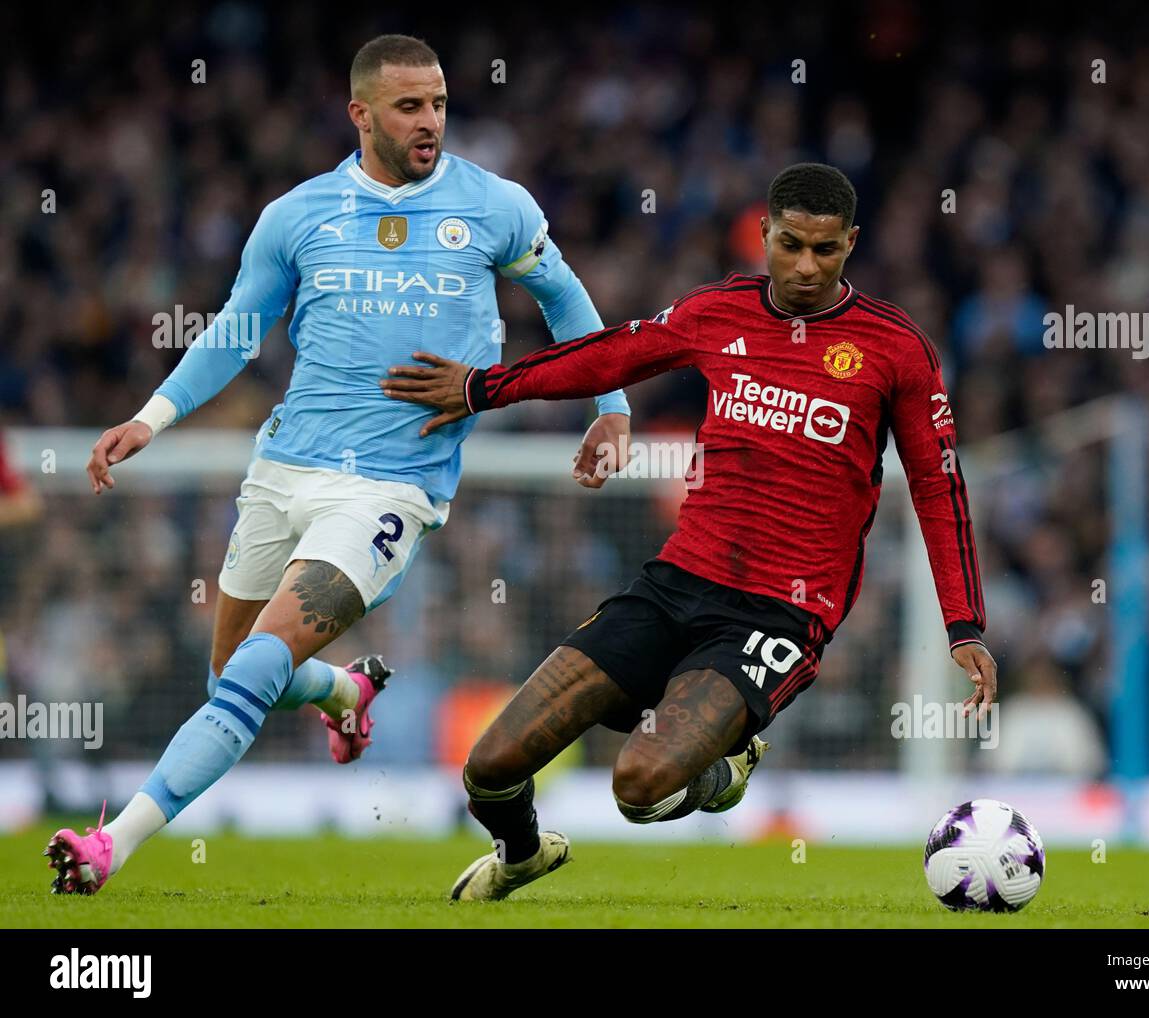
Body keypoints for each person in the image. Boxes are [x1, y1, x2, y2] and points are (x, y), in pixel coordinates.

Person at [45, 33, 631, 895]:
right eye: (407, 106)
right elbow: (239, 330)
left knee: (251, 669)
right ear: (360, 113)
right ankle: (345, 697)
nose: (429, 120)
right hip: (283, 468)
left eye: (437, 102)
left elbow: (566, 299)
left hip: (392, 488)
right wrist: (151, 416)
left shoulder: (495, 206)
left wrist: (611, 408)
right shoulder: (299, 215)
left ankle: (111, 843)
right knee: (231, 671)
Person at [380, 162, 997, 901]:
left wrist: (964, 624)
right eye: (791, 244)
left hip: (780, 613)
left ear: (852, 245)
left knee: (639, 789)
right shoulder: (717, 313)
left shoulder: (894, 348)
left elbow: (939, 487)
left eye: (825, 251)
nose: (805, 266)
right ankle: (523, 854)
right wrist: (486, 386)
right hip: (675, 584)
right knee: (490, 767)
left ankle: (723, 770)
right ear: (764, 233)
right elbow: (609, 354)